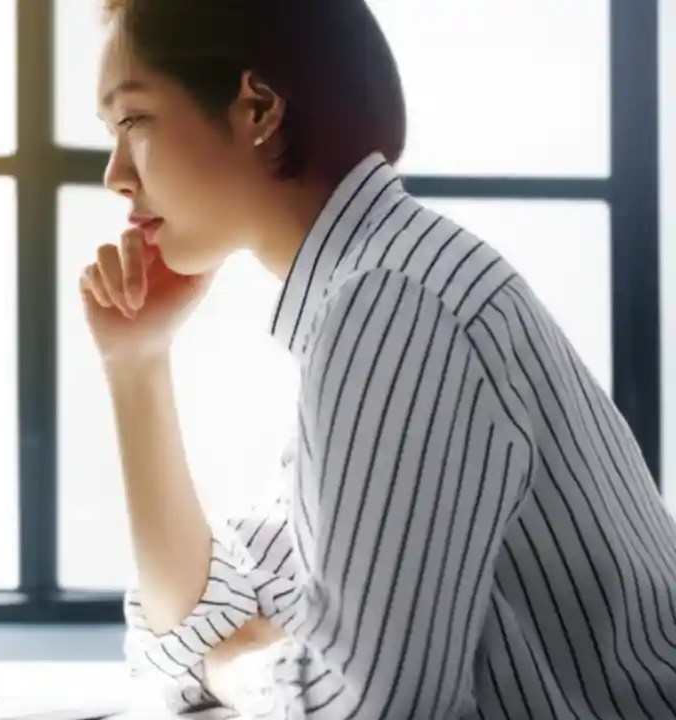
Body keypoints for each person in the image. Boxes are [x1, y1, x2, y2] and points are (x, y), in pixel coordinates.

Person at [78, 1, 676, 717]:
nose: (115, 173)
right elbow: (205, 620)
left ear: (257, 109)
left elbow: (367, 705)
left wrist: (232, 667)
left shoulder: (393, 301)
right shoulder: (372, 285)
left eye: (133, 121)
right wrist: (137, 365)